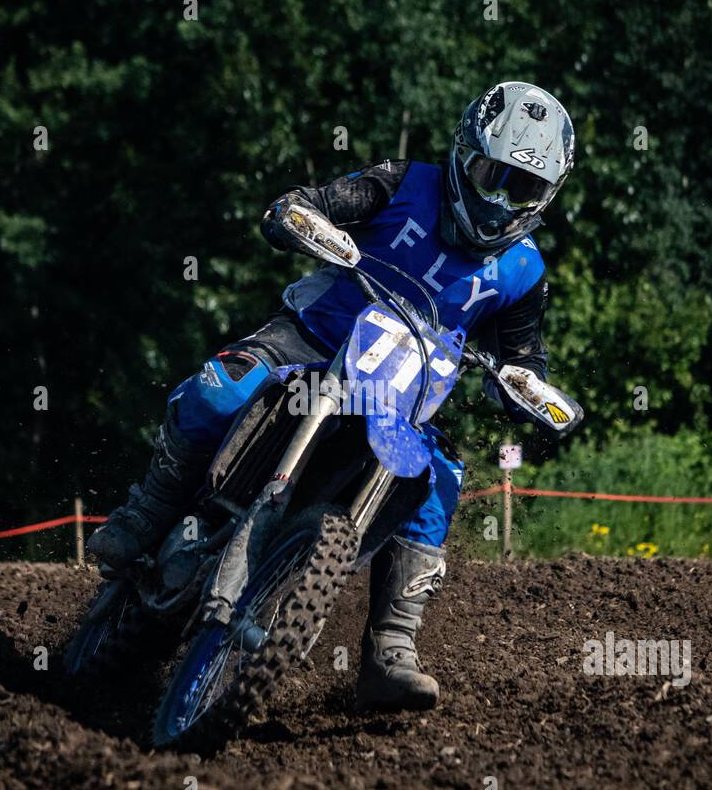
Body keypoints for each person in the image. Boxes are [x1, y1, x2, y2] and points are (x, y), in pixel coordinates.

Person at [88, 81, 575, 712]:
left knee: (441, 480)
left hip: (403, 396)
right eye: (492, 174)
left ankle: (390, 650)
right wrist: (304, 221)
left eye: (525, 188)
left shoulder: (525, 271)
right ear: (463, 155)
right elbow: (304, 204)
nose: (502, 198)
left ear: (548, 196)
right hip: (312, 341)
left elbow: (523, 357)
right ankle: (146, 515)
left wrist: (525, 387)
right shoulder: (405, 184)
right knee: (221, 388)